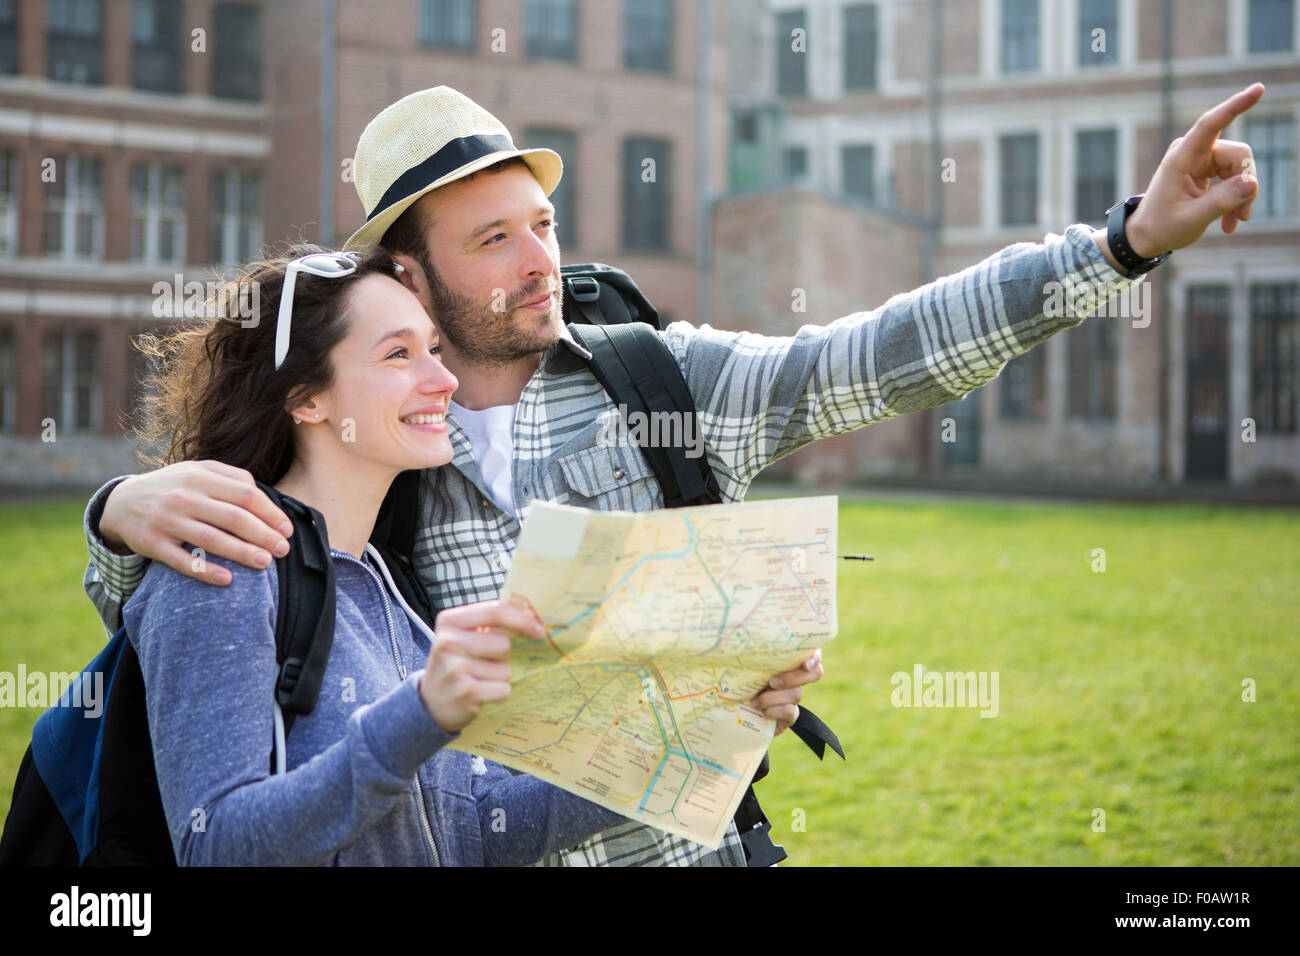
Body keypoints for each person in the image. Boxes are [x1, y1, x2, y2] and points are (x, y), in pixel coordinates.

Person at [80, 82, 1266, 866]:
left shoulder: (662, 382)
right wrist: (115, 514)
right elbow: (200, 620)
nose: (542, 257)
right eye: (493, 239)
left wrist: (1119, 244)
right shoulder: (370, 439)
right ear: (410, 266)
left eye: (541, 221)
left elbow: (880, 353)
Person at [121, 244, 627, 865]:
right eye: (398, 354)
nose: (444, 380)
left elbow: (469, 835)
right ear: (307, 399)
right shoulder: (227, 566)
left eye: (435, 350)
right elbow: (216, 843)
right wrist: (420, 712)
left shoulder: (387, 583)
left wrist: (687, 738)